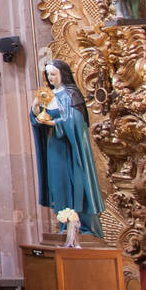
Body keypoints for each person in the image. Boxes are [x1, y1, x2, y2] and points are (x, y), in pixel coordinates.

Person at [30, 60, 105, 237]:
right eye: (48, 75)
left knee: (77, 182)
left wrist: (54, 123)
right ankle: (64, 224)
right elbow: (38, 117)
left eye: (54, 74)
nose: (50, 78)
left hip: (72, 149)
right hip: (54, 148)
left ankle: (84, 227)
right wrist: (35, 108)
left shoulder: (71, 94)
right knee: (58, 184)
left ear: (63, 74)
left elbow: (77, 121)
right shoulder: (49, 95)